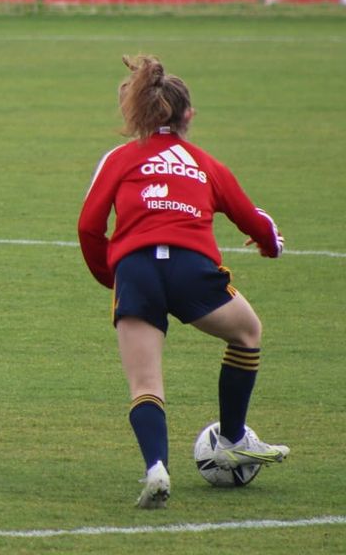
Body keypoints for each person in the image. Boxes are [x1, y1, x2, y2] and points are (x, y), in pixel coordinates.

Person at [77, 54, 289, 509]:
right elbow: (254, 220)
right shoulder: (206, 164)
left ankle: (156, 469)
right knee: (247, 331)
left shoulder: (119, 158)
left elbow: (89, 226)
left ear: (139, 113)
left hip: (135, 271)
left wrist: (110, 277)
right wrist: (271, 244)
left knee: (146, 385)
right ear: (188, 115)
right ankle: (232, 437)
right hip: (193, 269)